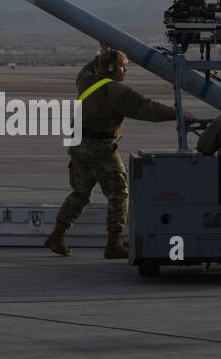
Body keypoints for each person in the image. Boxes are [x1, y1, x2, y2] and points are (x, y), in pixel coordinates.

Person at [44, 46, 176, 259]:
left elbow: (89, 68)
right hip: (99, 149)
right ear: (114, 68)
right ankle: (113, 244)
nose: (126, 71)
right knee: (119, 193)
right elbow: (146, 108)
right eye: (124, 67)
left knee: (80, 193)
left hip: (78, 147)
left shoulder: (85, 81)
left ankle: (57, 235)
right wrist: (177, 114)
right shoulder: (116, 91)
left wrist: (101, 53)